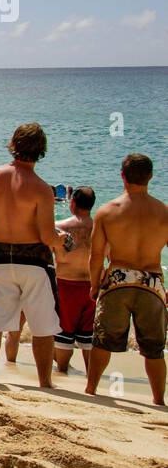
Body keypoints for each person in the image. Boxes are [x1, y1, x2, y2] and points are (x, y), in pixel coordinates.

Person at [0, 123, 67, 388]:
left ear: (13, 144)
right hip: (35, 262)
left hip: (1, 258)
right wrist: (60, 240)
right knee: (42, 326)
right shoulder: (41, 188)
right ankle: (45, 382)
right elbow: (47, 237)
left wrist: (3, 221)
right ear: (41, 150)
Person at [85, 154, 168, 405]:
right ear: (151, 177)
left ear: (122, 175)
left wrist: (94, 285)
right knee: (154, 348)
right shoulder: (164, 212)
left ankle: (91, 389)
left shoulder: (107, 211)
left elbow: (96, 255)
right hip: (151, 282)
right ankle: (157, 400)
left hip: (118, 280)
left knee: (102, 341)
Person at [54, 186, 97, 374]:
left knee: (64, 333)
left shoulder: (59, 227)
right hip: (91, 286)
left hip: (65, 284)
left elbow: (46, 258)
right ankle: (91, 377)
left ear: (72, 203)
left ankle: (62, 371)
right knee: (88, 336)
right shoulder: (101, 229)